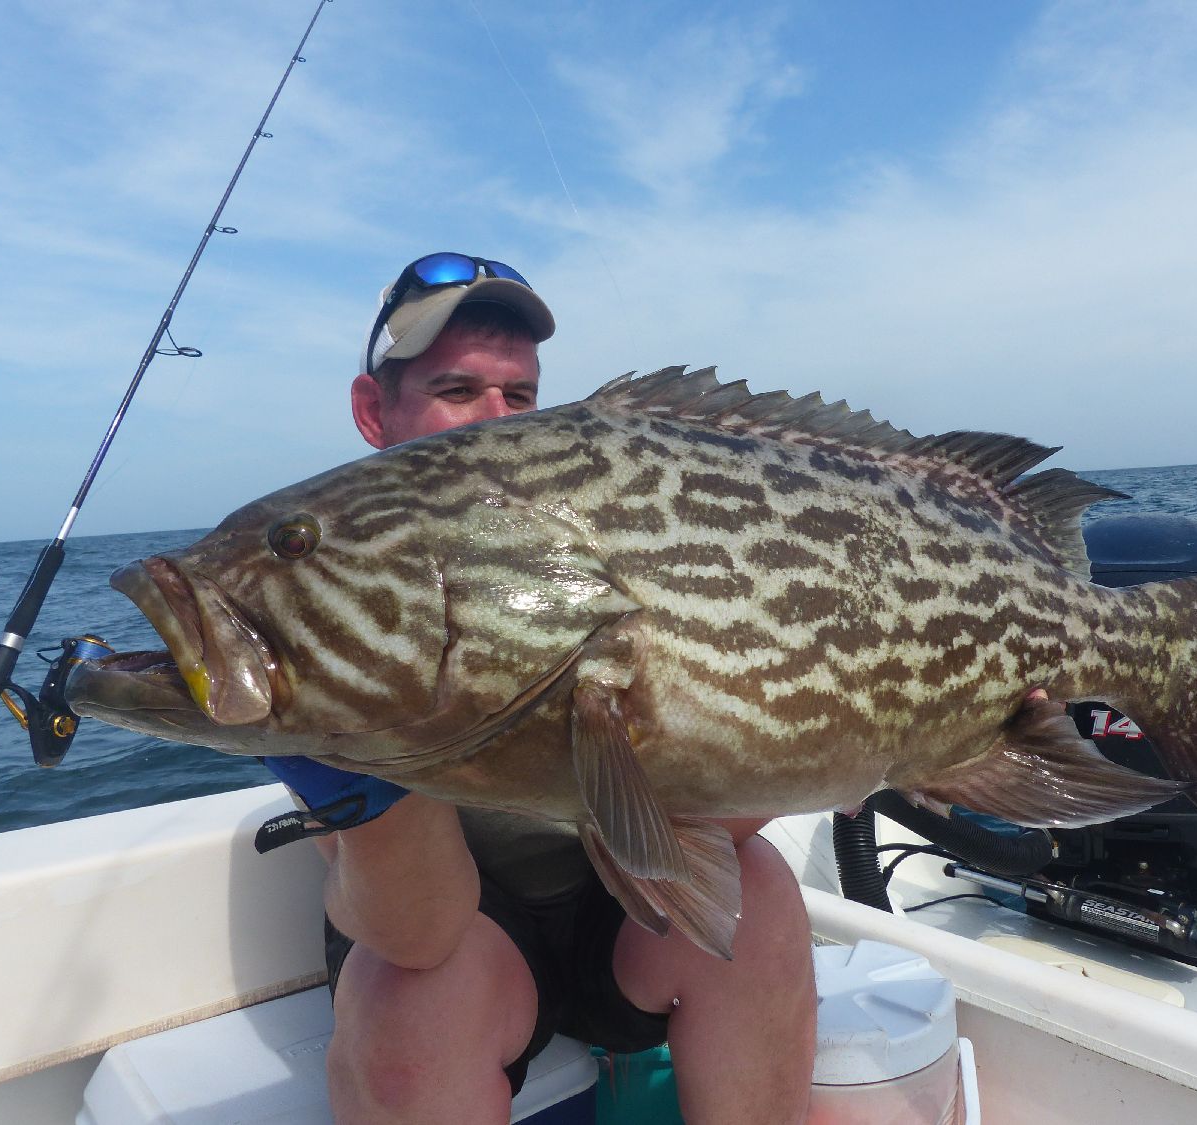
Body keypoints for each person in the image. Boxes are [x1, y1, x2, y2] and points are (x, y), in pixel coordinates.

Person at [263, 252, 817, 1124]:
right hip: (461, 934)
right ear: (375, 412)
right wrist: (341, 764)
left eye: (518, 398)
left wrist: (885, 733)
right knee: (406, 993)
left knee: (764, 901)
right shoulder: (341, 576)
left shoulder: (609, 532)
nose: (495, 421)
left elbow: (708, 822)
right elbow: (418, 930)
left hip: (619, 911)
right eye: (456, 390)